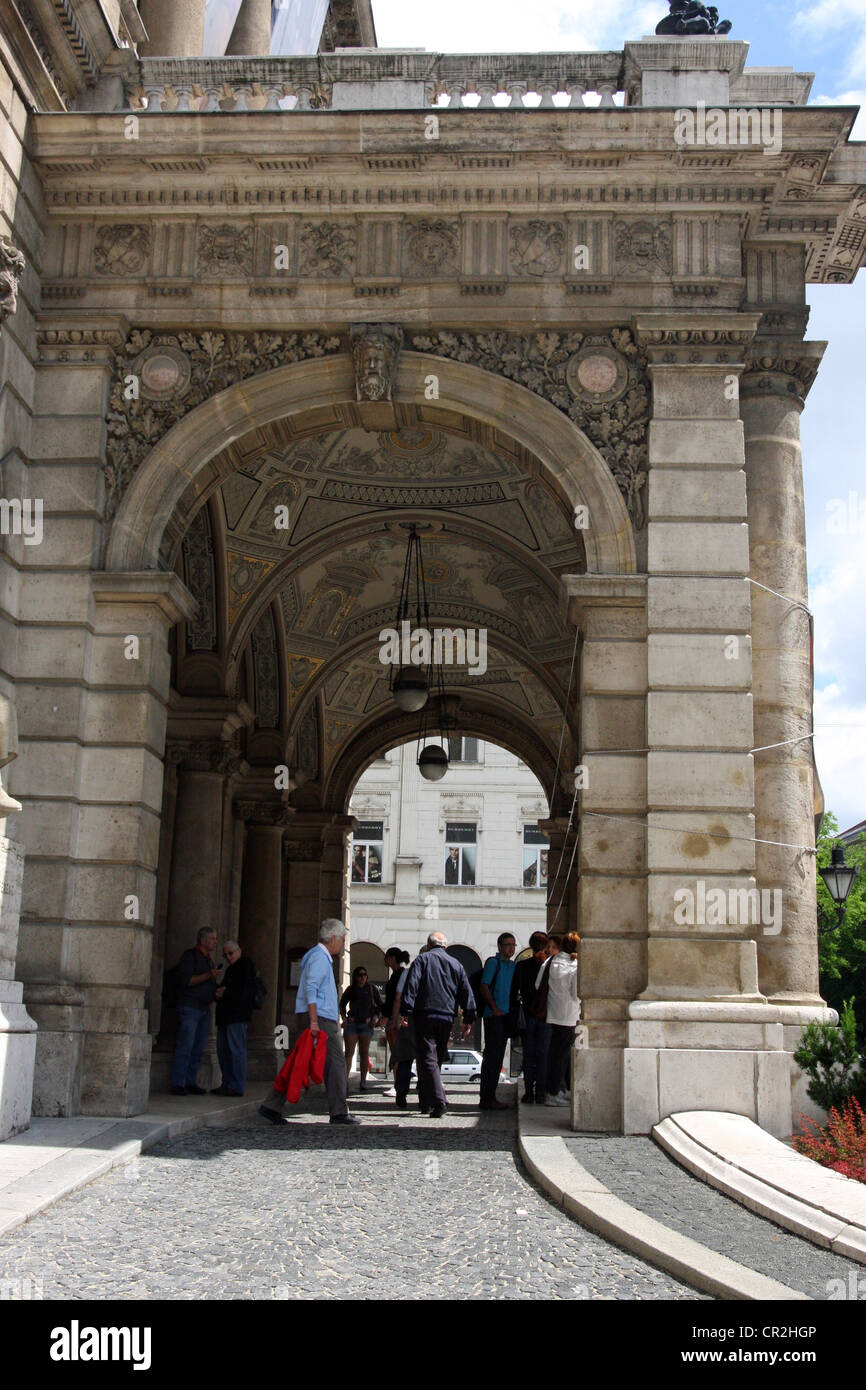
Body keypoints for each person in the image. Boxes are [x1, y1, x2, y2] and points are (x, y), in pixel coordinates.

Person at [259, 918, 359, 1126]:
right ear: (333, 938)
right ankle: (339, 1111)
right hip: (321, 1018)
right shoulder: (319, 958)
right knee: (335, 1064)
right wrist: (314, 1021)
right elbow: (311, 990)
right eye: (341, 939)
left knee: (300, 1061)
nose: (342, 944)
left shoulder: (316, 956)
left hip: (318, 1016)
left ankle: (272, 1104)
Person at [401, 931, 476, 1118]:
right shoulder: (456, 964)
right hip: (447, 1017)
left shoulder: (421, 960)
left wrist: (405, 1011)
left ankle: (439, 1101)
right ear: (446, 947)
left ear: (428, 945)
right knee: (435, 1060)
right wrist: (469, 1017)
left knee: (427, 1059)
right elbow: (466, 991)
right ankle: (426, 1102)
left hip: (425, 1014)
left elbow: (412, 985)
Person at [170, 927, 219, 1096]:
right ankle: (178, 1082)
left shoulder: (209, 960)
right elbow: (187, 980)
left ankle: (190, 1081)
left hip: (204, 1008)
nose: (215, 942)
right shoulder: (190, 956)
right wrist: (209, 975)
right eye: (212, 939)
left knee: (198, 1048)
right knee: (186, 1045)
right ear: (203, 940)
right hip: (190, 1007)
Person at [478, 932, 517, 1111]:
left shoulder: (513, 966)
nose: (511, 948)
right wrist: (494, 1008)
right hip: (493, 1016)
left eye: (513, 945)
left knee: (498, 1057)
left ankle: (490, 1096)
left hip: (506, 1016)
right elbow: (484, 986)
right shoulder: (493, 963)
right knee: (492, 1058)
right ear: (500, 946)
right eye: (508, 944)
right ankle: (486, 1097)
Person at [511, 930, 552, 1105]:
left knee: (528, 1054)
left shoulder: (522, 966)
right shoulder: (550, 966)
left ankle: (529, 1092)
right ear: (546, 946)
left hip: (528, 1014)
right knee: (543, 1055)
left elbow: (514, 992)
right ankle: (541, 1093)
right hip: (546, 1015)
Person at [212, 940, 256, 1097]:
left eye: (230, 953)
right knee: (223, 1051)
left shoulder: (245, 967)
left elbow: (242, 992)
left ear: (239, 951)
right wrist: (219, 992)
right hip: (226, 1015)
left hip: (237, 1015)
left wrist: (225, 992)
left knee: (235, 1050)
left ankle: (236, 1085)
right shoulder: (232, 969)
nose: (228, 957)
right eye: (225, 955)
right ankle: (227, 1083)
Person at [545, 932, 581, 1106]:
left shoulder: (552, 961)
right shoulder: (575, 966)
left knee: (555, 1054)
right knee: (563, 1056)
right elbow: (575, 995)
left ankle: (560, 1089)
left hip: (553, 1013)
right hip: (569, 1015)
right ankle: (554, 1092)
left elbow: (539, 984)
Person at [340, 965, 383, 1091]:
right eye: (359, 975)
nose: (362, 977)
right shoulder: (351, 989)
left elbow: (380, 1006)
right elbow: (342, 1003)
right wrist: (345, 1018)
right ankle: (345, 1081)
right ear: (355, 977)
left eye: (364, 975)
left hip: (366, 1024)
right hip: (352, 1024)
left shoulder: (371, 988)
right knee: (349, 1053)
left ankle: (363, 1081)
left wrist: (375, 1018)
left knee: (364, 1053)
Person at [383, 947, 415, 1108]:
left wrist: (393, 1019)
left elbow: (397, 998)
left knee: (399, 1055)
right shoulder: (400, 974)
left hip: (399, 1020)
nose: (384, 960)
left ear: (392, 958)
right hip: (399, 1018)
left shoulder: (401, 974)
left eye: (386, 957)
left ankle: (399, 1086)